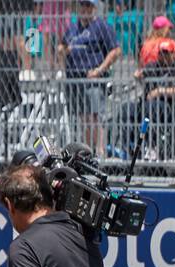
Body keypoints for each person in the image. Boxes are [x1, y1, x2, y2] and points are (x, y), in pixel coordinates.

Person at [59, 0, 120, 158]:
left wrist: (100, 70)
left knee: (94, 116)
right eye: (82, 5)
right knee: (83, 117)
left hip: (91, 79)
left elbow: (115, 50)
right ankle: (88, 152)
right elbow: (62, 46)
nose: (84, 9)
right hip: (74, 79)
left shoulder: (101, 26)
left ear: (93, 8)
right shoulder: (73, 27)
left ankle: (99, 153)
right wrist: (63, 50)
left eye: (88, 5)